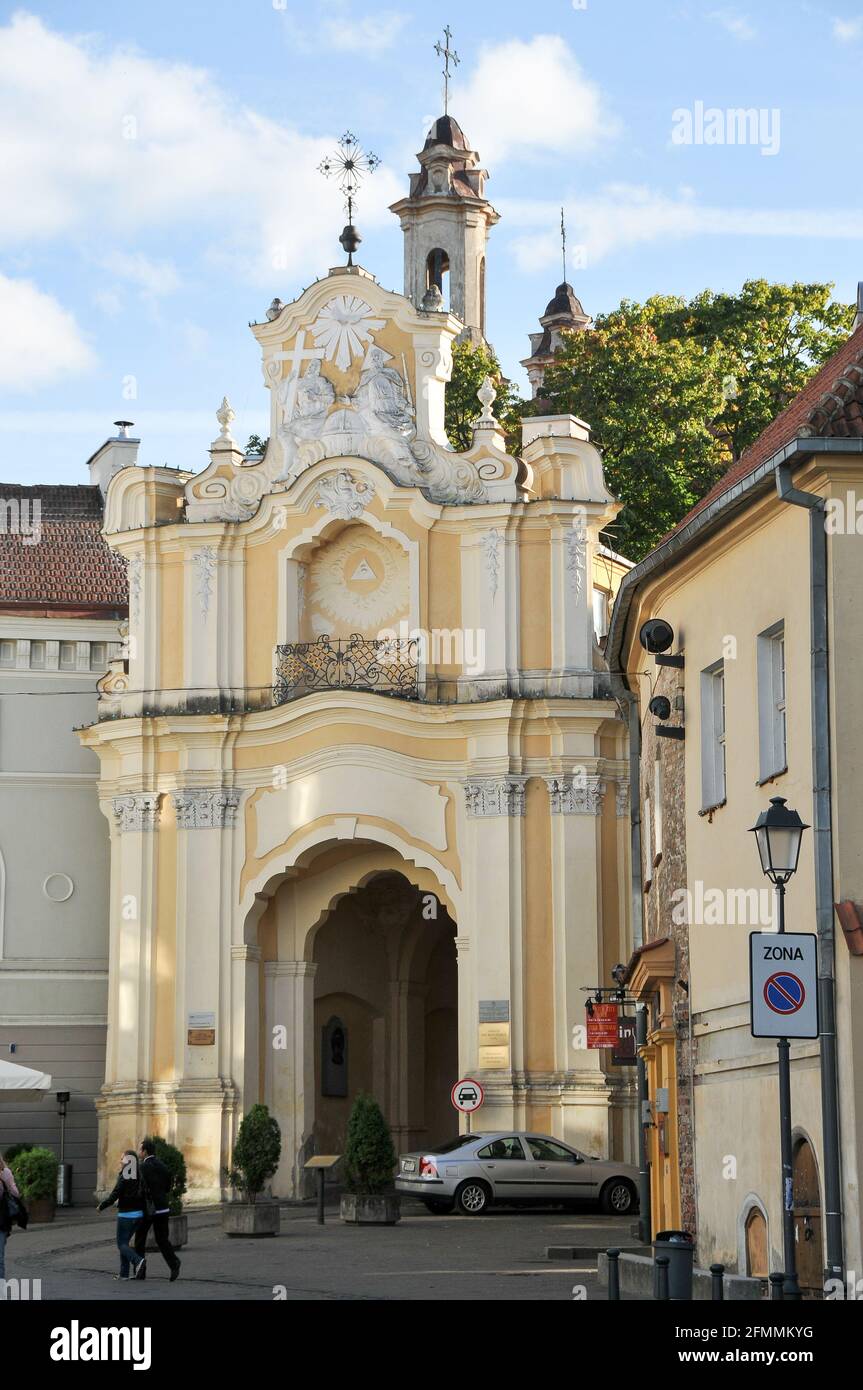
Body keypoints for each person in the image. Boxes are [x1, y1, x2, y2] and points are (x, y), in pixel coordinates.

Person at [134, 1140, 180, 1282]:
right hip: (163, 1208)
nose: (139, 1152)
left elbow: (139, 1189)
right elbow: (167, 1187)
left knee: (140, 1240)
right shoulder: (163, 1166)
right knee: (162, 1240)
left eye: (140, 1150)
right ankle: (174, 1264)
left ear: (145, 1151)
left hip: (147, 1210)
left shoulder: (142, 1167)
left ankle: (140, 1271)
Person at [97, 1150, 145, 1281]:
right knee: (125, 1244)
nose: (120, 1161)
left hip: (126, 1215)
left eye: (122, 1159)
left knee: (121, 1244)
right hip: (139, 1215)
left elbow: (115, 1194)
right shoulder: (139, 1175)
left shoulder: (124, 1176)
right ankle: (123, 1274)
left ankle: (138, 1261)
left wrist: (102, 1206)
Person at [0, 1151, 21, 1283]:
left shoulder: (5, 1173)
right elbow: (16, 1194)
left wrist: (6, 1181)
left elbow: (15, 1194)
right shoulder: (5, 1172)